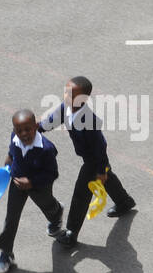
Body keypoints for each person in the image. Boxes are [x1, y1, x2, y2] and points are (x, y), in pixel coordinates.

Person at [38, 76, 136, 247]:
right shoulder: (66, 108)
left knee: (81, 194)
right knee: (107, 179)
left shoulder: (88, 120)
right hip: (90, 158)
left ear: (83, 99)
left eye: (71, 94)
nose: (66, 96)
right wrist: (37, 129)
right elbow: (50, 121)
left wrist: (100, 169)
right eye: (66, 92)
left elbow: (100, 147)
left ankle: (71, 233)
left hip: (94, 160)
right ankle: (124, 201)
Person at [0, 110, 63, 273]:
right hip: (17, 183)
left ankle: (56, 213)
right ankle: (6, 253)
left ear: (36, 127)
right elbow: (12, 150)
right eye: (19, 130)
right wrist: (9, 159)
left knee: (47, 205)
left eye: (27, 129)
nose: (23, 133)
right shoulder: (14, 137)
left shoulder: (46, 149)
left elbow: (52, 174)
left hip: (39, 186)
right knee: (11, 218)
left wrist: (31, 182)